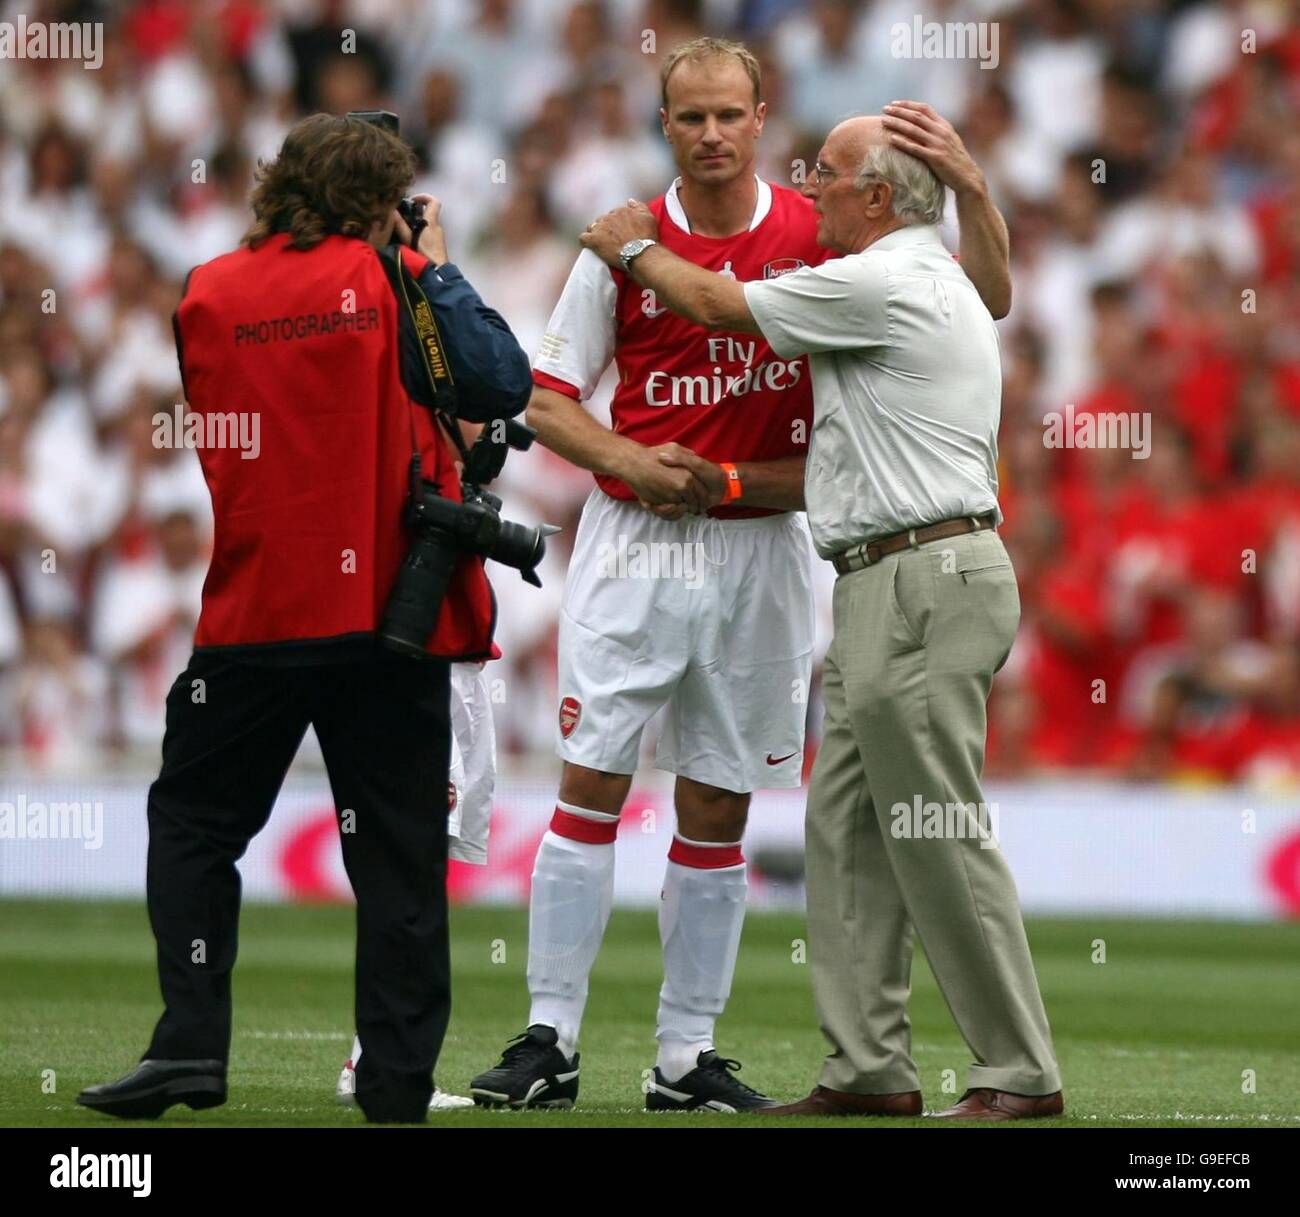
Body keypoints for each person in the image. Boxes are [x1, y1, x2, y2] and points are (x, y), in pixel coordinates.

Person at [470, 39, 1013, 1113]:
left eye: (729, 114)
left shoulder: (820, 234)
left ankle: (683, 1056)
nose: (711, 134)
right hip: (634, 540)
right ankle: (550, 1034)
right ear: (663, 124)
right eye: (689, 118)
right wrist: (624, 458)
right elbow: (544, 394)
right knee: (591, 782)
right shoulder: (619, 240)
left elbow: (978, 296)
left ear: (763, 116)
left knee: (717, 802)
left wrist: (971, 190)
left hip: (761, 542)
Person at [579, 110, 1063, 1121]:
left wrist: (630, 243)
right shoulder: (937, 274)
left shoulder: (880, 277)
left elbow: (712, 303)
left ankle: (1019, 1072)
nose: (810, 190)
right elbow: (1001, 291)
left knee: (937, 829)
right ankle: (866, 1070)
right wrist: (974, 188)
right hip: (883, 574)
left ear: (879, 199)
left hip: (922, 574)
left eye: (829, 176)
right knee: (844, 831)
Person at [77, 113, 532, 1125]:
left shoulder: (206, 290)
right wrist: (428, 264)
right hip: (386, 615)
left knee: (193, 823)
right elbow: (497, 381)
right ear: (382, 202)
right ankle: (394, 1088)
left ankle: (189, 1041)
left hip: (250, 610)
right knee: (398, 863)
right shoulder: (392, 279)